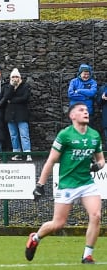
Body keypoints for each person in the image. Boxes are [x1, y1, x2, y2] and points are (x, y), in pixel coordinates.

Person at [27, 102, 105, 264]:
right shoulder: (65, 135)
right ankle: (35, 238)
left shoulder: (94, 135)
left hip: (86, 183)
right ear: (72, 116)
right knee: (58, 224)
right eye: (81, 110)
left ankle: (87, 255)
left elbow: (101, 160)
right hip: (68, 184)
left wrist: (96, 166)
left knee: (96, 215)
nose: (86, 112)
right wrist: (40, 185)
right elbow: (51, 161)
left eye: (86, 110)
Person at [6, 68, 31, 161]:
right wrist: (12, 87)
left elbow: (25, 98)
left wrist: (12, 101)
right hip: (10, 115)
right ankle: (17, 153)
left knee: (24, 135)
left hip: (22, 114)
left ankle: (28, 153)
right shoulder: (8, 87)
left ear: (20, 77)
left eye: (16, 76)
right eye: (13, 77)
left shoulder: (25, 86)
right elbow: (6, 97)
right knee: (13, 135)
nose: (15, 78)